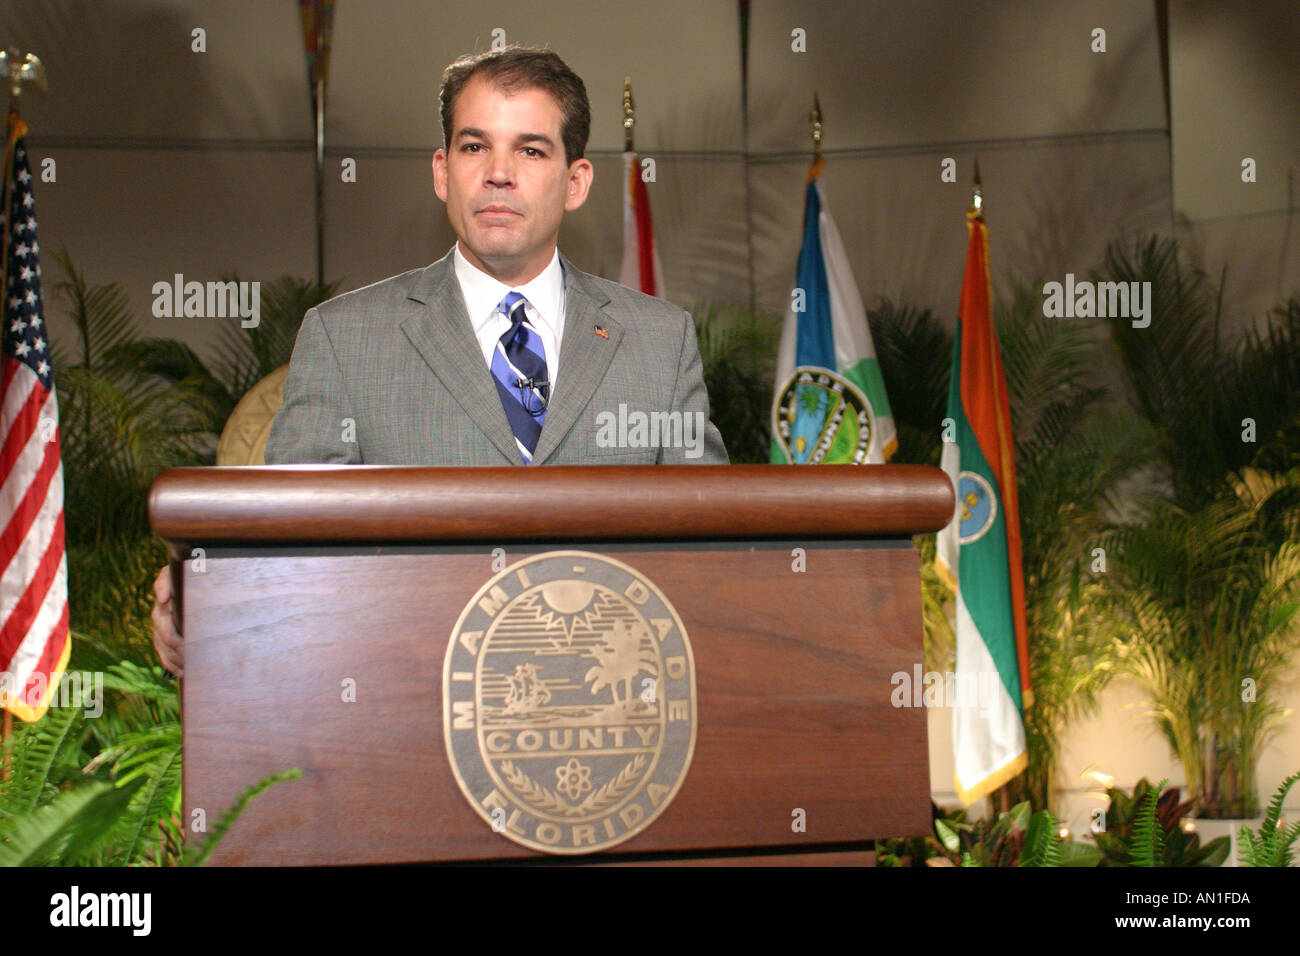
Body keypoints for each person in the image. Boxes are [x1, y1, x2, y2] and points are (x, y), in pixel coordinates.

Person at [152, 45, 728, 675]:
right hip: (408, 710)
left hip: (611, 717)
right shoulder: (345, 340)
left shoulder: (658, 340)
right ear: (441, 171)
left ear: (576, 181)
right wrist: (209, 601)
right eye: (474, 147)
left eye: (531, 150)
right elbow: (288, 549)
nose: (498, 173)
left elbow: (714, 548)